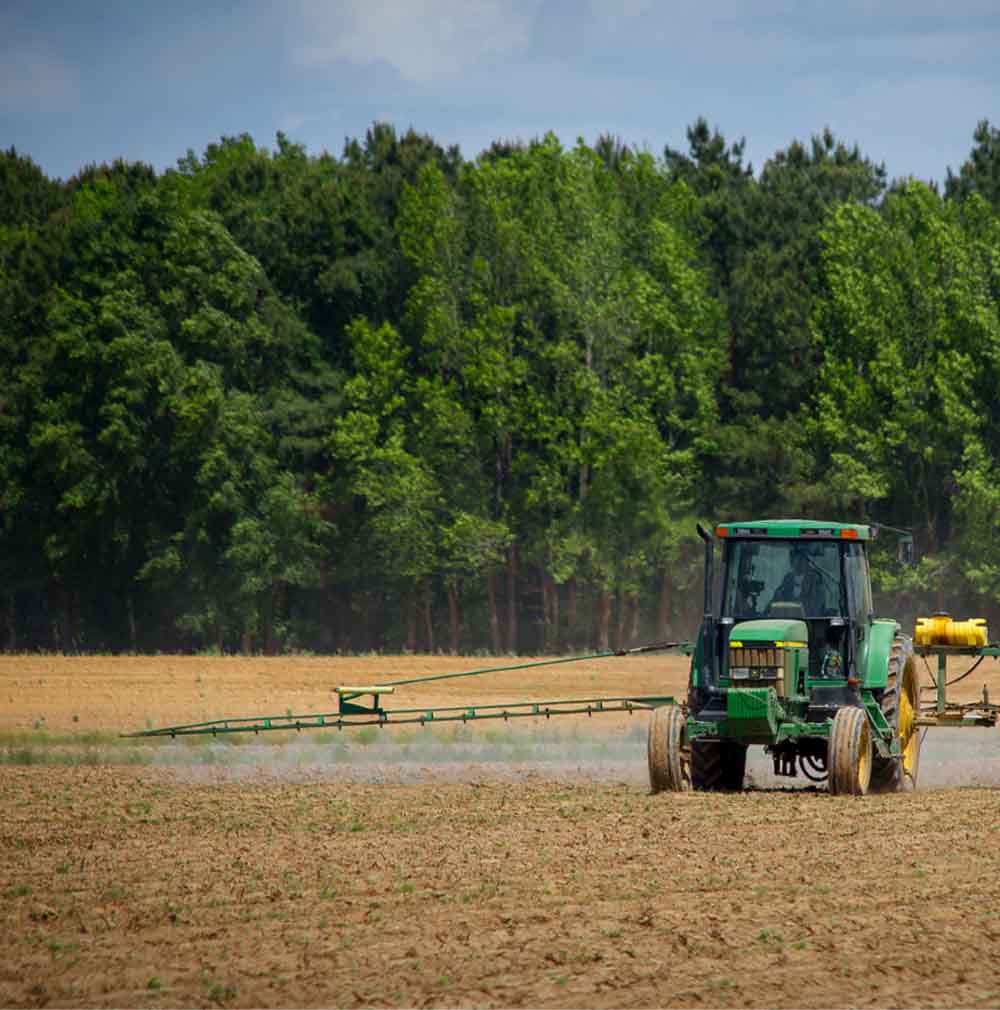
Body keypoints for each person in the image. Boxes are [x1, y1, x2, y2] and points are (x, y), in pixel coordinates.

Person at [768, 547, 822, 615]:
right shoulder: (787, 580)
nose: (799, 561)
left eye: (802, 558)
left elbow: (816, 609)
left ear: (807, 561)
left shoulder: (815, 581)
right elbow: (775, 601)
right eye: (796, 558)